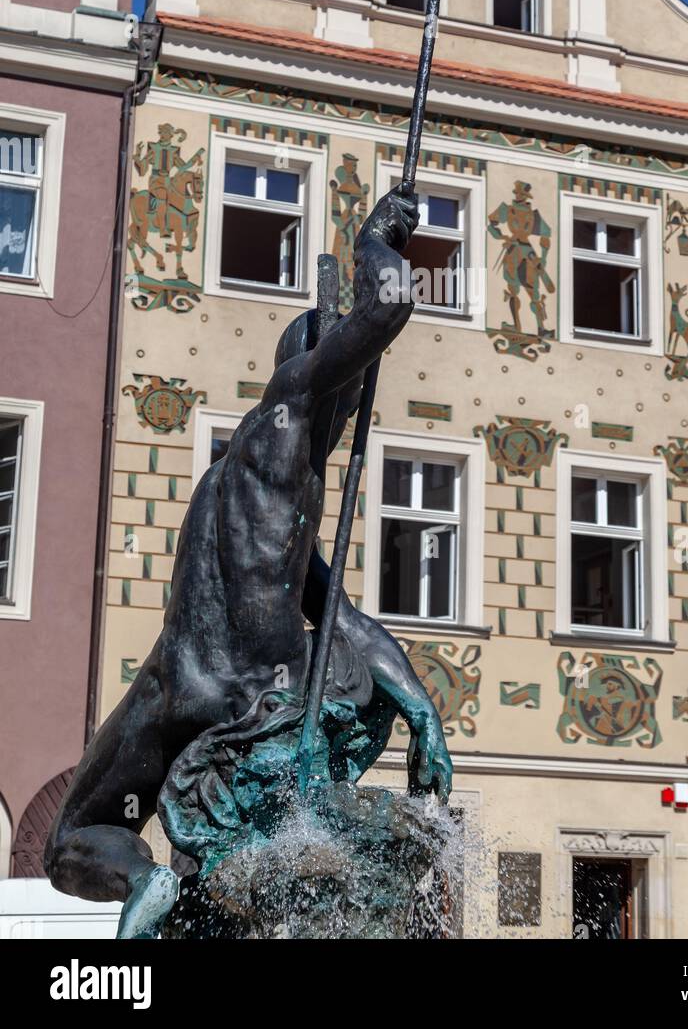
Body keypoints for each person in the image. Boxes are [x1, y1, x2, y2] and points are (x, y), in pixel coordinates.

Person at [46, 187, 452, 939]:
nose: (357, 393)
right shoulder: (285, 416)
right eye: (352, 379)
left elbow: (342, 614)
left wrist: (424, 711)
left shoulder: (234, 479)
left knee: (70, 840)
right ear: (316, 367)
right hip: (256, 694)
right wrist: (378, 237)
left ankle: (145, 880)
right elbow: (389, 302)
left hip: (175, 685)